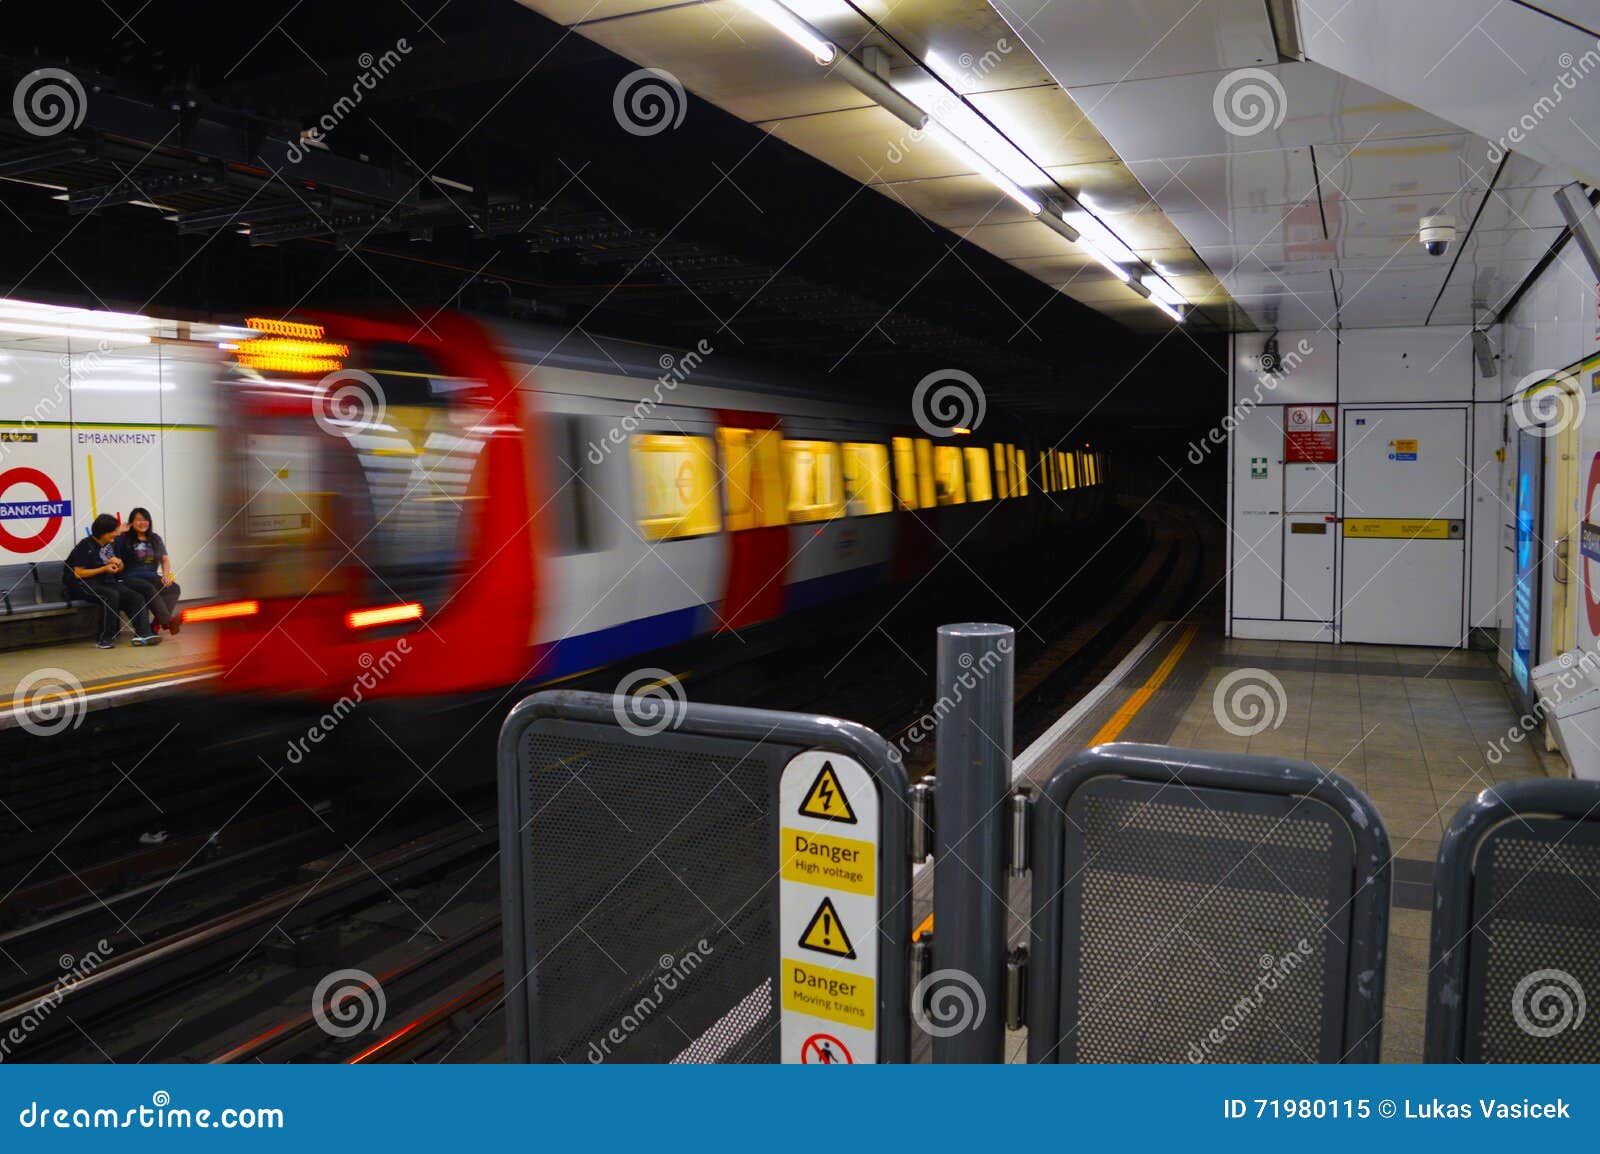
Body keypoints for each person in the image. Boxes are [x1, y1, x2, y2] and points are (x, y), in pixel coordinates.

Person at [67, 514, 158, 649]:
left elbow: (118, 566)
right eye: (113, 531)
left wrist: (119, 563)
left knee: (134, 596)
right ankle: (104, 639)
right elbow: (78, 573)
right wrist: (104, 568)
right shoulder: (85, 545)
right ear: (103, 532)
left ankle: (144, 633)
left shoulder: (110, 545)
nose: (116, 534)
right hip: (81, 585)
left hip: (103, 582)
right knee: (110, 595)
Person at [114, 507, 181, 636]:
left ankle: (156, 625)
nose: (142, 522)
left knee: (173, 588)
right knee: (148, 588)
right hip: (130, 577)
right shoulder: (123, 539)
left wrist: (166, 575)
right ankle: (167, 621)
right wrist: (118, 531)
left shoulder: (155, 538)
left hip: (151, 576)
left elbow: (165, 559)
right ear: (131, 522)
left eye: (145, 519)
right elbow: (110, 549)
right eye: (138, 520)